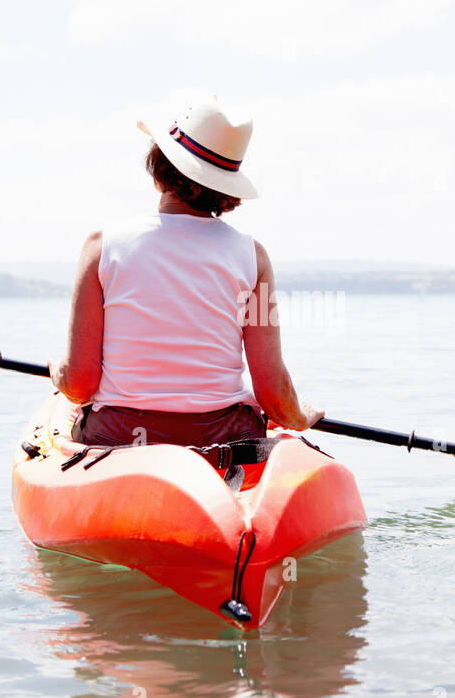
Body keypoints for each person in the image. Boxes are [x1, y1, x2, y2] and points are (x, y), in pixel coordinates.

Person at [48, 97, 323, 448]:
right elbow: (272, 393)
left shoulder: (101, 246)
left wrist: (57, 372)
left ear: (159, 166)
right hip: (224, 441)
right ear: (227, 188)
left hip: (121, 438)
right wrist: (300, 416)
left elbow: (80, 384)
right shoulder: (255, 258)